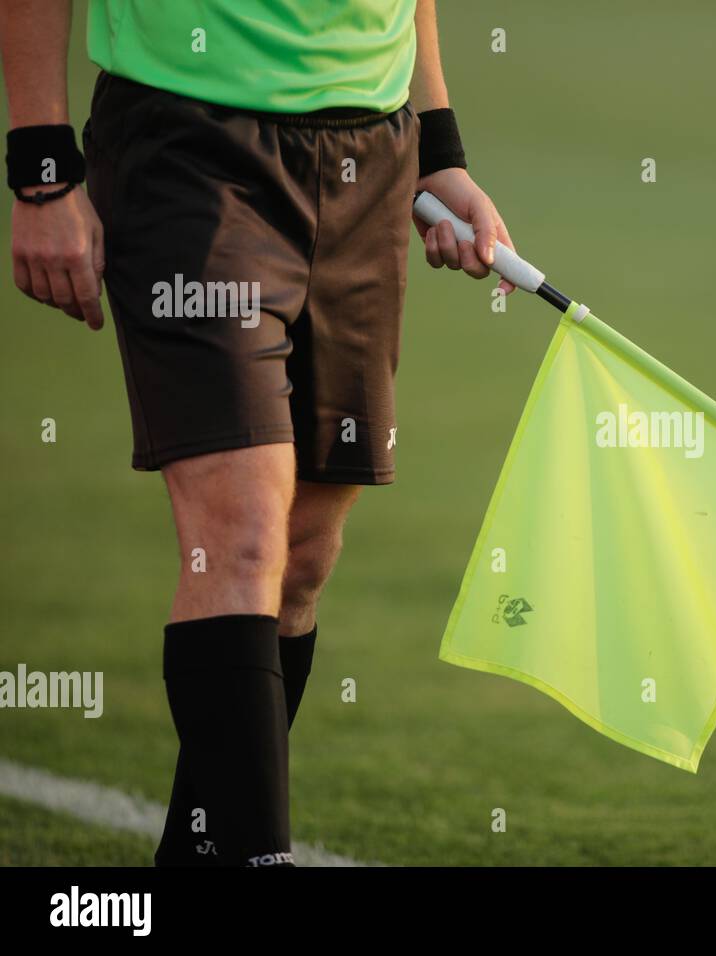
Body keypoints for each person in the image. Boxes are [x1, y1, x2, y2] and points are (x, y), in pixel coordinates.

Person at [0, 0, 512, 866]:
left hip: (373, 157)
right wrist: (42, 168)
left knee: (301, 556)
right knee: (240, 538)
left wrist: (438, 145)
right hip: (192, 147)